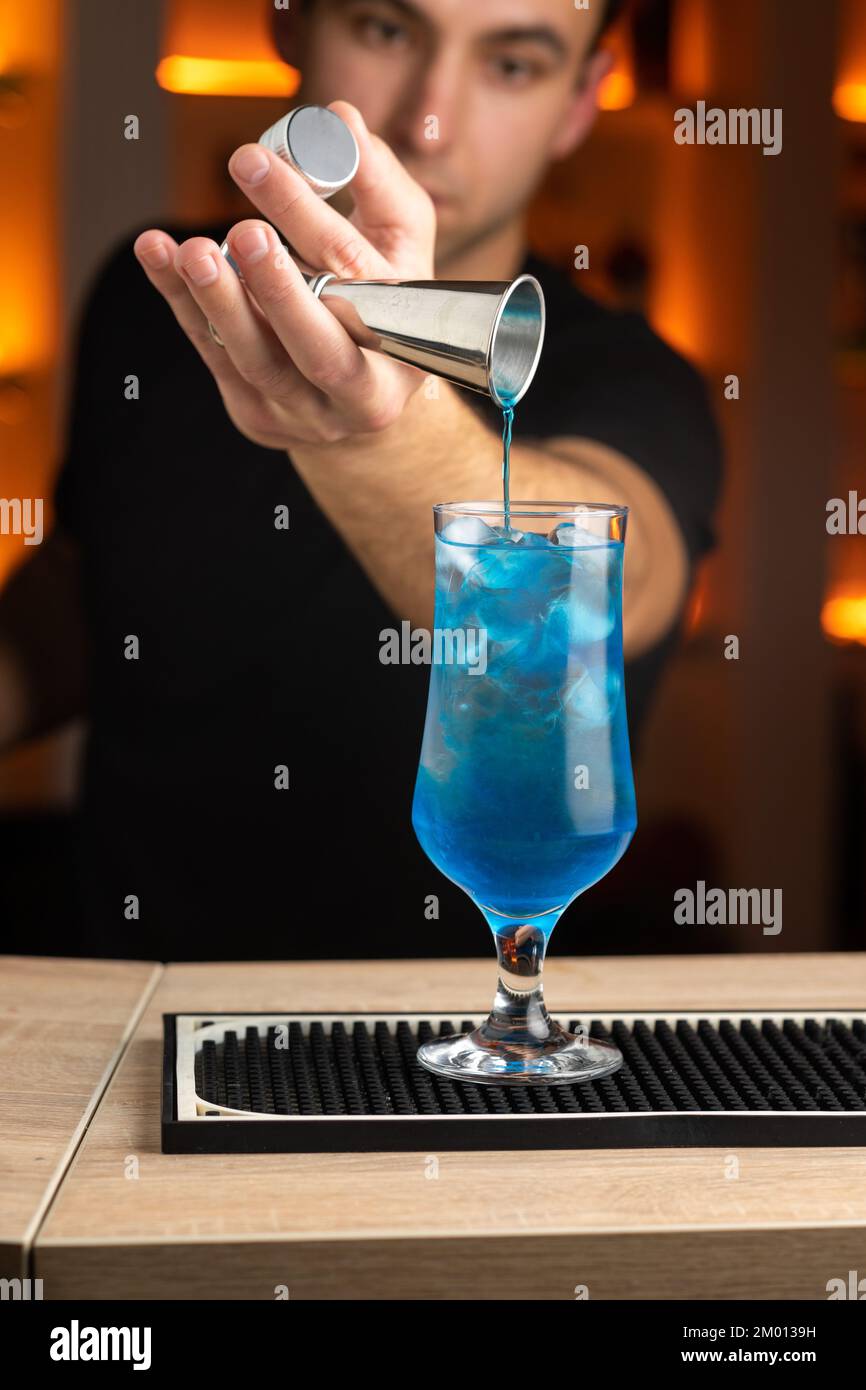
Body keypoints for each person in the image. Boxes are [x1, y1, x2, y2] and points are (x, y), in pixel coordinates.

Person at [0, 0, 722, 960]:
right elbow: (97, 598)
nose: (428, 121)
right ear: (289, 28)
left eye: (512, 63)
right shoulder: (149, 301)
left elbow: (610, 588)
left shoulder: (641, 380)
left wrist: (384, 426)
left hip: (434, 1050)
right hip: (126, 996)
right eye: (387, 30)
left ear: (580, 103)